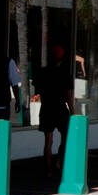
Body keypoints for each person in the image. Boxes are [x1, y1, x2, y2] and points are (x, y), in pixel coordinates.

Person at [36, 45, 74, 178]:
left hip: (47, 108)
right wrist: (73, 111)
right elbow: (68, 96)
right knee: (65, 138)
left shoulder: (43, 72)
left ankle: (49, 169)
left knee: (48, 141)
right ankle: (58, 162)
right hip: (60, 108)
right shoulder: (65, 74)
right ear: (62, 59)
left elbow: (38, 90)